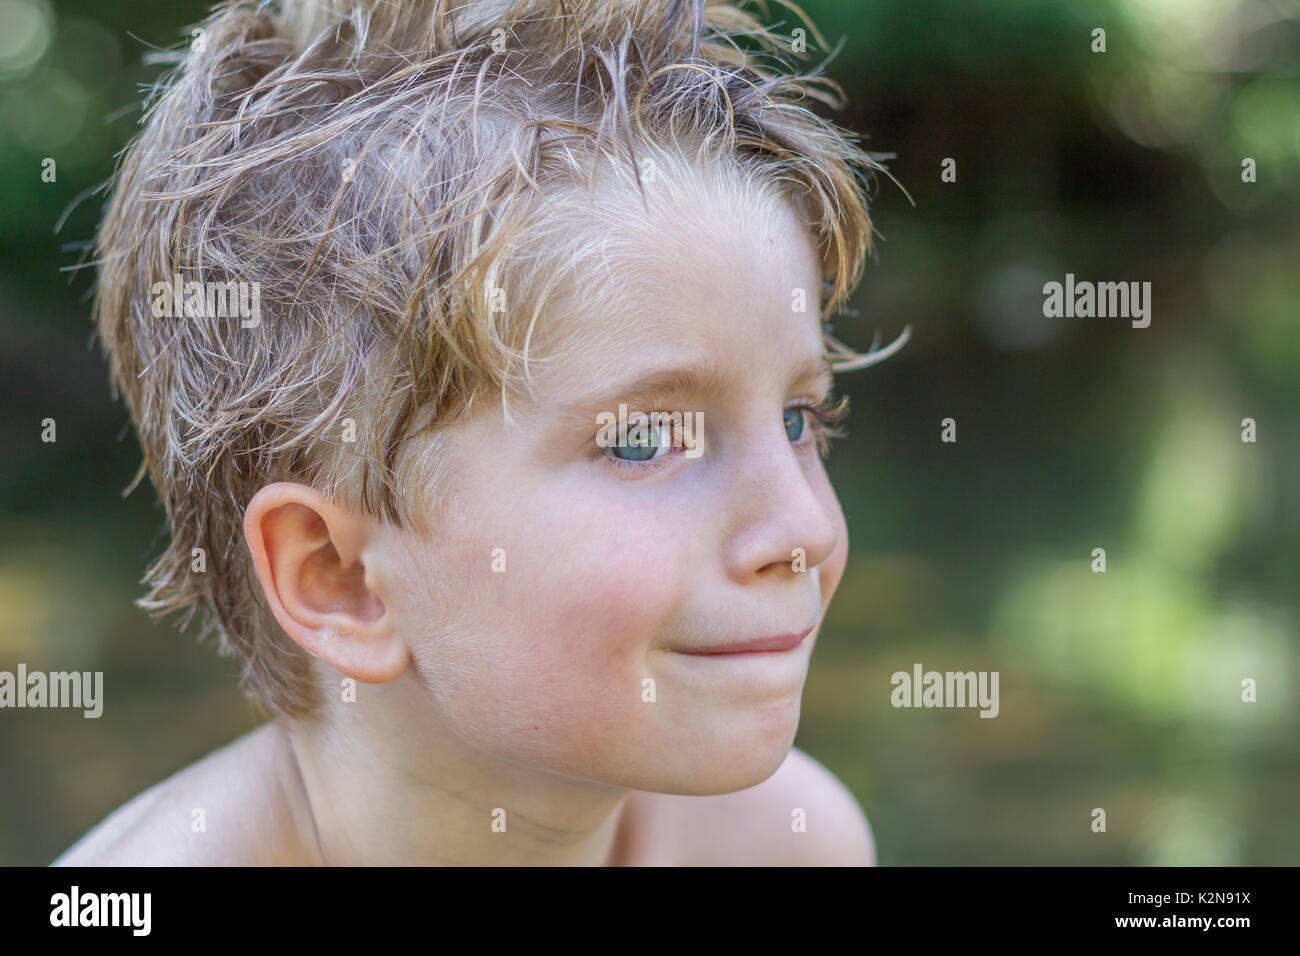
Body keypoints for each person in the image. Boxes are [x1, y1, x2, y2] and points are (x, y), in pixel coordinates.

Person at [55, 0, 907, 866]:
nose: (805, 531)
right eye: (646, 440)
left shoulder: (788, 845)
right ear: (337, 574)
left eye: (800, 420)